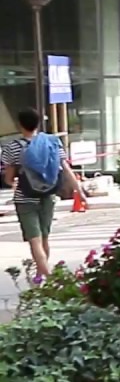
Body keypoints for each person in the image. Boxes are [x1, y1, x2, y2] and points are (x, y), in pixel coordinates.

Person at [2, 108, 84, 278]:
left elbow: (9, 178)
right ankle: (41, 275)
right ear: (39, 123)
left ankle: (49, 277)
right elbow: (66, 169)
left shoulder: (13, 147)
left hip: (25, 198)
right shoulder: (53, 142)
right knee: (45, 238)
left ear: (20, 125)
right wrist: (80, 191)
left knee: (35, 240)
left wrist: (13, 182)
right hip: (49, 195)